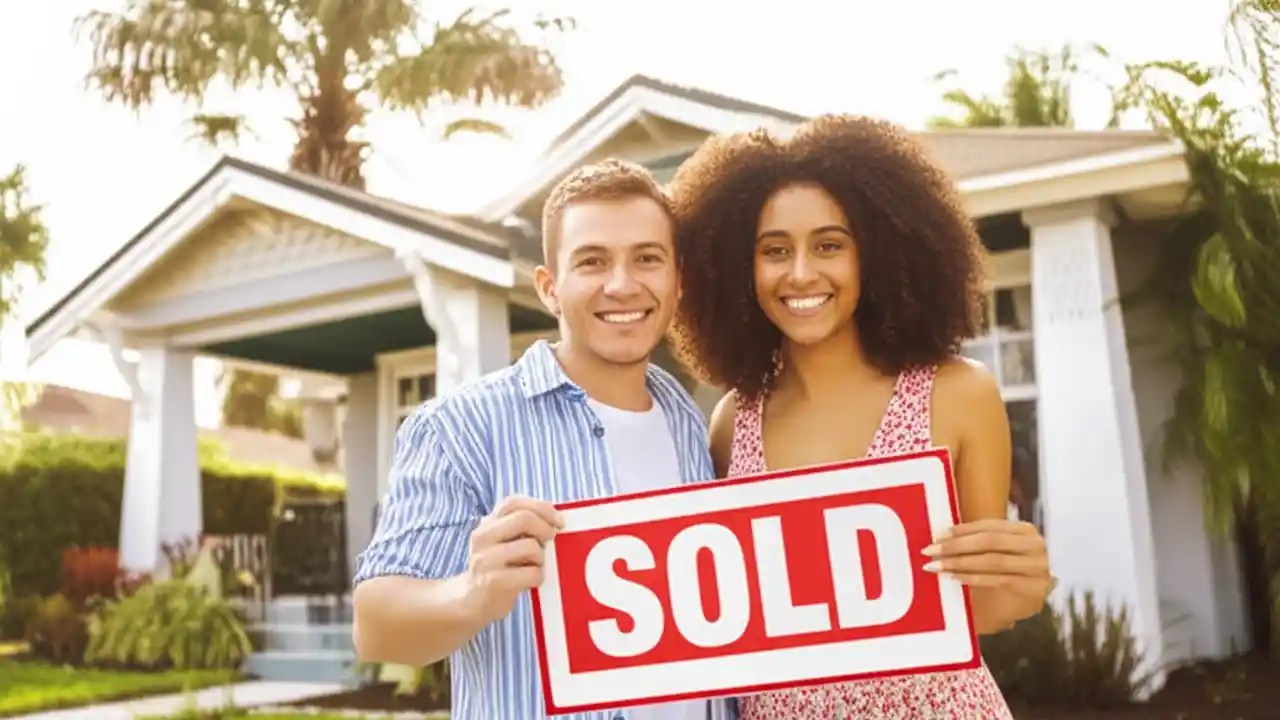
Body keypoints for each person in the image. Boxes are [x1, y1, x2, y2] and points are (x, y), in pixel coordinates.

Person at [666, 115, 1054, 719]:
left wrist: (1019, 583)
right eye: (774, 251)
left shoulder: (956, 394)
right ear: (741, 270)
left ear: (873, 255)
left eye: (829, 245)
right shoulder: (732, 423)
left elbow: (986, 608)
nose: (800, 273)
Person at [350, 158, 730, 720]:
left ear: (678, 280)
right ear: (550, 289)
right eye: (592, 261)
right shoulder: (459, 428)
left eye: (646, 258)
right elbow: (375, 629)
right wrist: (471, 592)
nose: (622, 284)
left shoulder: (687, 418)